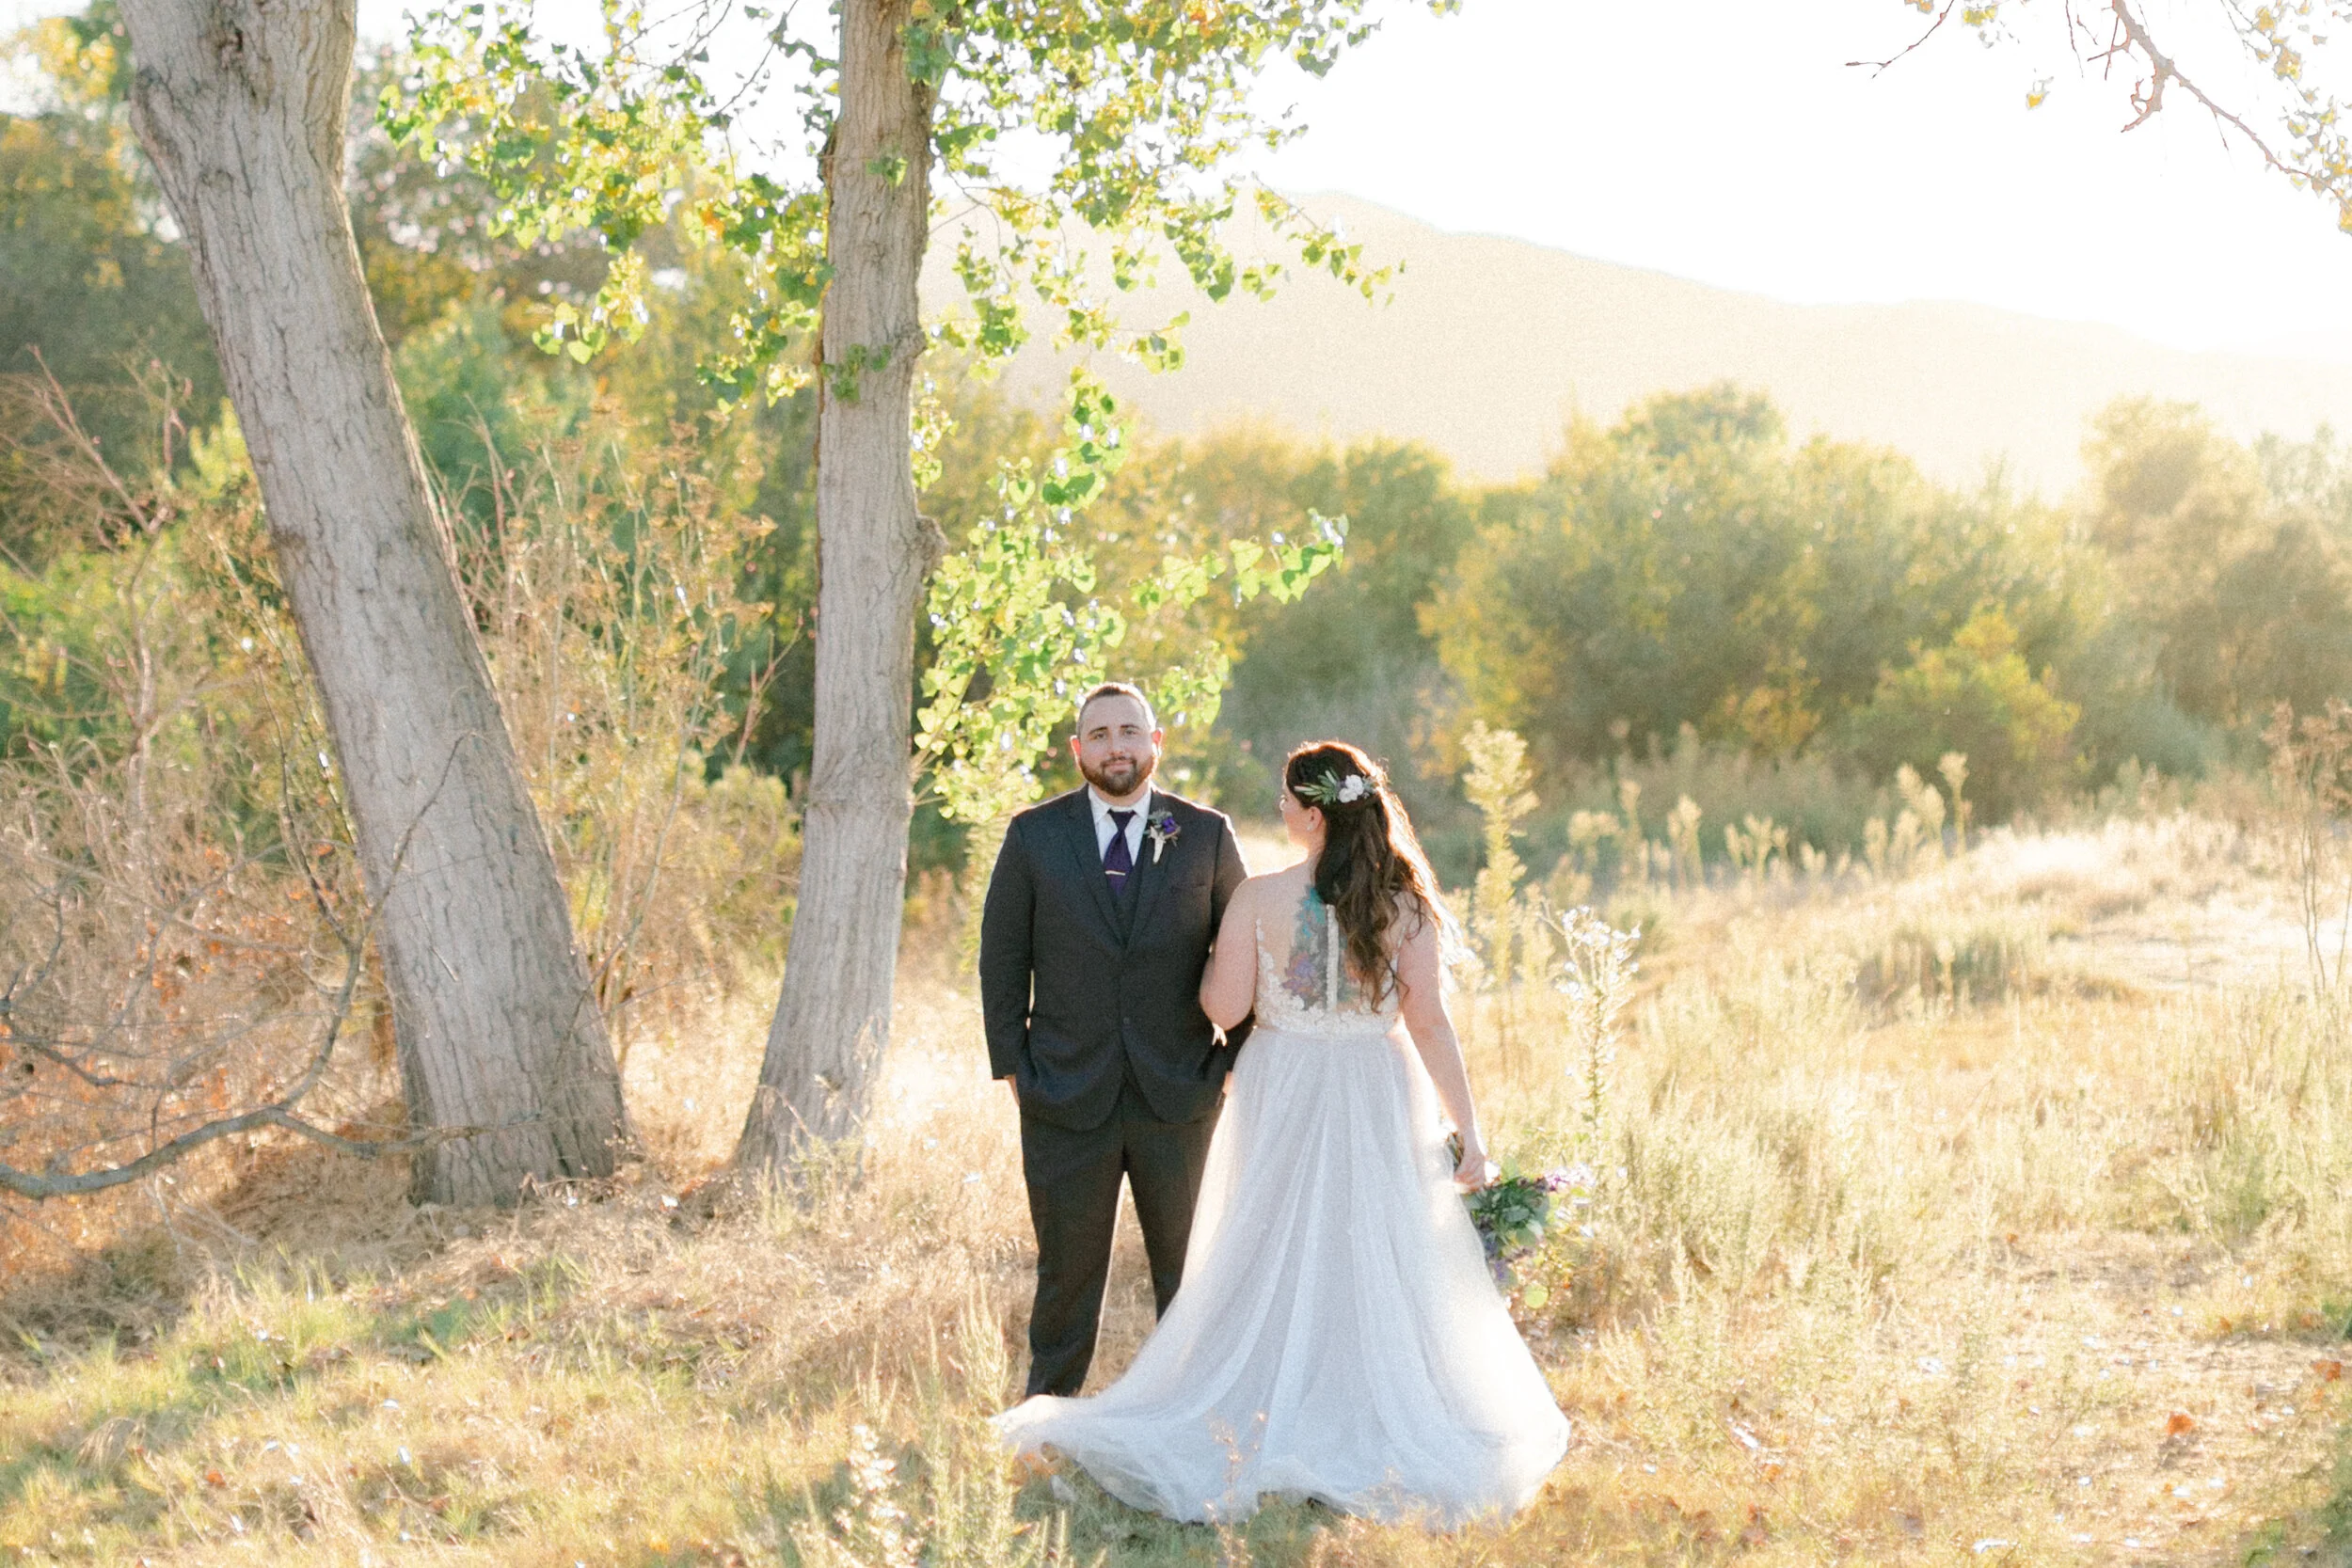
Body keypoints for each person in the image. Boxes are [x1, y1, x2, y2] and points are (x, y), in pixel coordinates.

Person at [992, 739, 1569, 1527]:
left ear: (1310, 813)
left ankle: (1268, 1400)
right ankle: (1357, 1400)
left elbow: (1224, 1008)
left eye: (1285, 800)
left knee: (1271, 1241)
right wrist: (1469, 1129)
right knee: (1374, 1246)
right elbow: (1430, 1022)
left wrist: (1196, 969)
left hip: (1287, 1082)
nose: (1277, 811)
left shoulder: (1261, 899)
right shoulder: (1406, 903)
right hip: (1374, 1083)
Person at [978, 682, 1253, 1399]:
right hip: (1064, 1096)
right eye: (1099, 735)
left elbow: (1249, 951)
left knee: (1189, 1274)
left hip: (1181, 1094)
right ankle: (1046, 1422)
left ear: (1157, 742)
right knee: (1066, 1276)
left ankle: (1194, 1419)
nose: (1116, 747)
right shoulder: (1033, 836)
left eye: (1130, 731)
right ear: (1077, 750)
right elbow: (1002, 958)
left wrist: (1233, 1062)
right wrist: (1017, 1070)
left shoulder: (1207, 834)